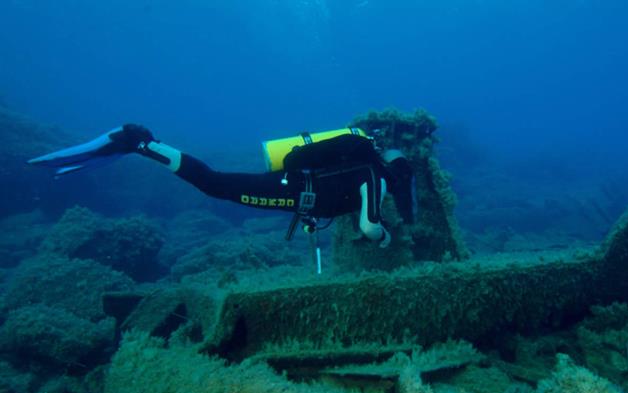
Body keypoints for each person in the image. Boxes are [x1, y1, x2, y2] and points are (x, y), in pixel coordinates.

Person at [28, 124, 416, 246]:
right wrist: (384, 239)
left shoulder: (366, 169)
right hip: (291, 188)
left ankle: (139, 145)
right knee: (214, 184)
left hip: (294, 188)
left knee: (216, 184)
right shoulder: (373, 176)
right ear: (397, 177)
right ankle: (138, 141)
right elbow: (368, 224)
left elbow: (334, 199)